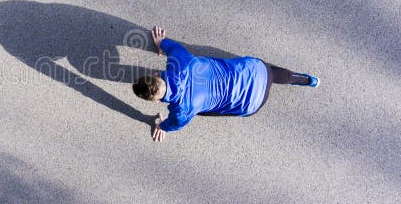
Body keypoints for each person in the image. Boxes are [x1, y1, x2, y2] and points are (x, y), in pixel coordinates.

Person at [133, 27, 319, 141]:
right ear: (156, 74)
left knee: (204, 110)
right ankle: (306, 80)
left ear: (157, 102)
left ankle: (303, 80)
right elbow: (173, 48)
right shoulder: (182, 63)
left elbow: (174, 125)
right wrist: (161, 43)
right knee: (271, 72)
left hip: (252, 104)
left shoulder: (183, 111)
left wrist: (160, 126)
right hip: (259, 73)